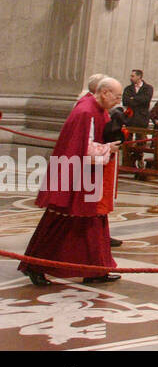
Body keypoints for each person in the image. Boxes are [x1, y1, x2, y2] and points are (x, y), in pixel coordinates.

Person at [19, 77, 124, 285]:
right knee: (61, 222)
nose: (118, 101)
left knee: (92, 223)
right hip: (76, 176)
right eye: (117, 96)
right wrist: (107, 149)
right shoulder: (85, 111)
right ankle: (35, 265)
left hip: (89, 176)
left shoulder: (98, 109)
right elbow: (83, 147)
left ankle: (96, 270)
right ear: (104, 93)